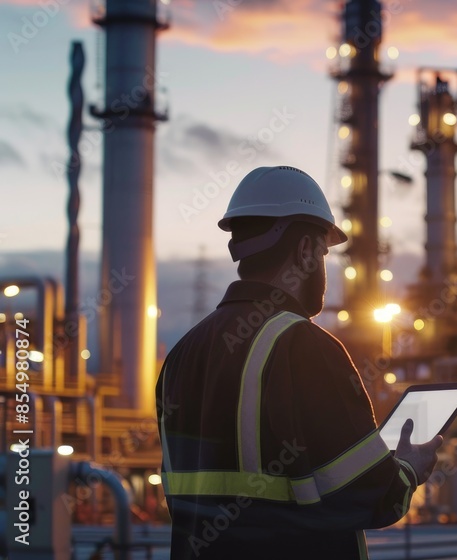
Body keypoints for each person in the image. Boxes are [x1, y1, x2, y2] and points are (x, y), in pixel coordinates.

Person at [156, 166, 442, 559]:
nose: (324, 265)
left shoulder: (181, 355)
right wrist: (409, 469)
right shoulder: (302, 347)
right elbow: (371, 496)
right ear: (305, 250)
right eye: (324, 251)